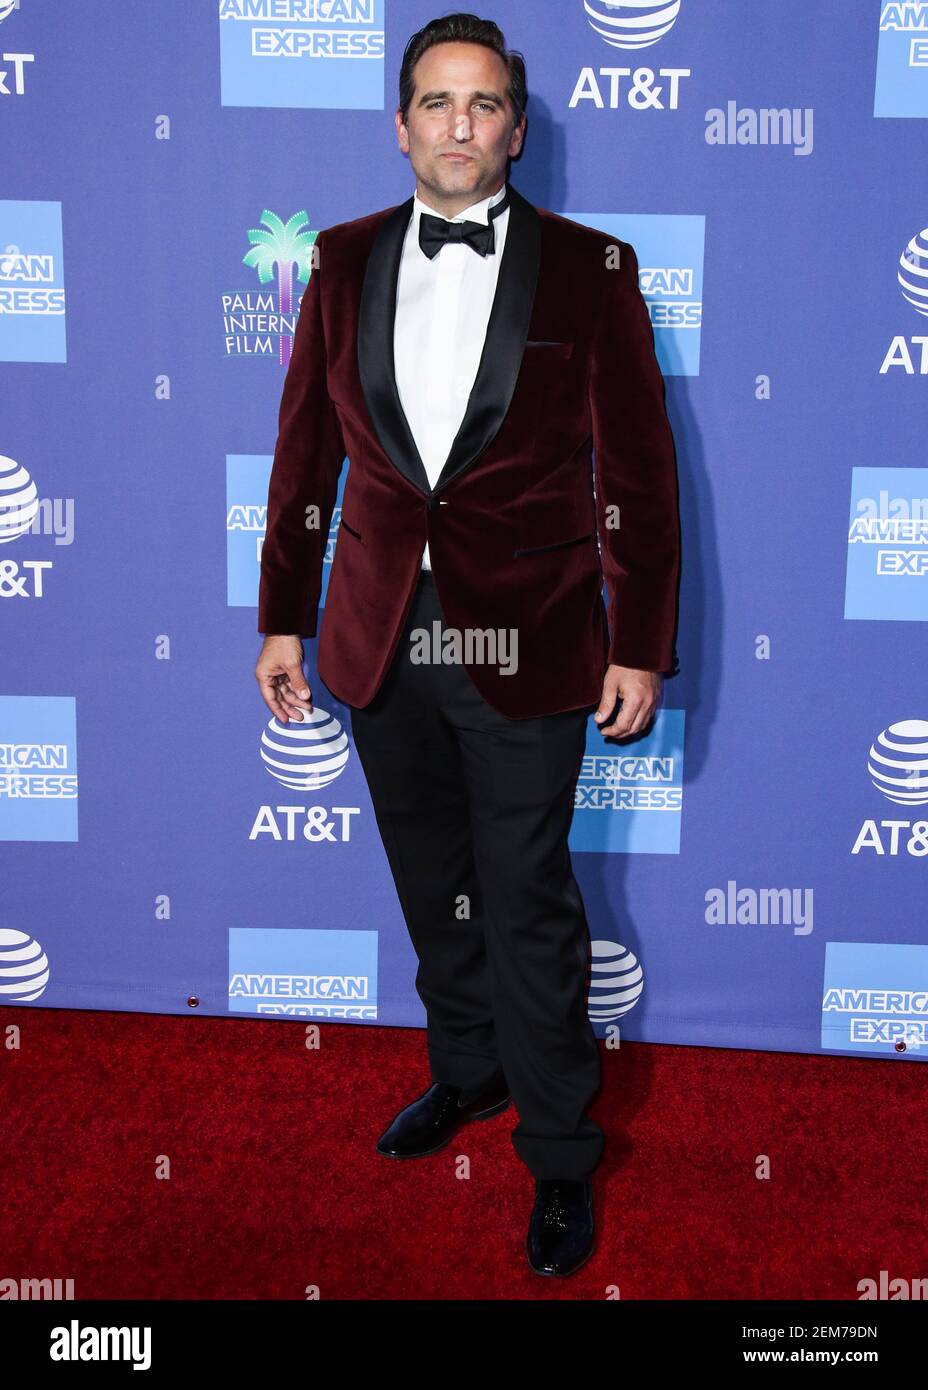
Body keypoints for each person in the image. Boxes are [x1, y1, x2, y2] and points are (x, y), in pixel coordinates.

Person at [254, 12, 681, 1278]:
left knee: (530, 899)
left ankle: (557, 1151)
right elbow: (304, 460)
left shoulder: (592, 270)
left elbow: (638, 476)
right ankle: (468, 1071)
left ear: (516, 124)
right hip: (377, 635)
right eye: (435, 102)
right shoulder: (337, 262)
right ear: (400, 125)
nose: (458, 125)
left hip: (533, 637)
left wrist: (639, 641)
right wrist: (281, 615)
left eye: (482, 104)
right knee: (432, 880)